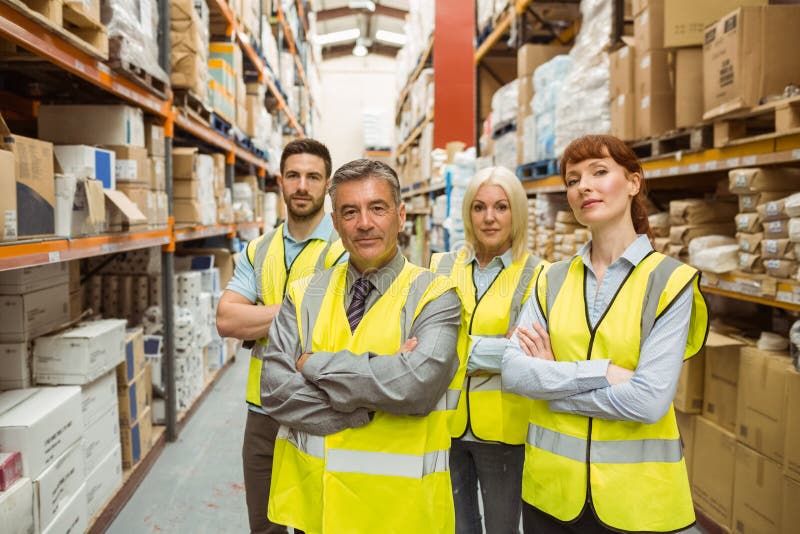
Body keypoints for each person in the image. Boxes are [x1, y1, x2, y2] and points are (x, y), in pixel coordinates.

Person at [502, 134, 709, 534]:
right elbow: (513, 373)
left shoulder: (670, 282)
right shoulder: (551, 279)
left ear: (633, 182)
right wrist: (604, 373)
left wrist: (553, 386)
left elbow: (648, 401)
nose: (584, 187)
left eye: (599, 172)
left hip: (637, 505)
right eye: (573, 179)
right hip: (551, 498)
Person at [260, 159, 461, 533]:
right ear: (335, 223)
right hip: (316, 509)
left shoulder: (436, 296)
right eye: (350, 212)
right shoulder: (304, 294)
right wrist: (367, 404)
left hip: (400, 512)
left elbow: (413, 388)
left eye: (377, 208)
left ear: (400, 215)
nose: (364, 223)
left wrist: (312, 365)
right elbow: (273, 390)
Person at [216, 138, 345, 534]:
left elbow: (341, 325)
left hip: (317, 409)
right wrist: (299, 312)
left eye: (312, 177)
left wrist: (259, 316)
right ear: (280, 181)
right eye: (293, 175)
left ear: (327, 185)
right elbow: (226, 320)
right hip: (262, 413)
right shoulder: (260, 248)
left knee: (316, 524)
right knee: (265, 528)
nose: (302, 186)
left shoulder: (345, 250)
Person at [430, 166, 546, 534]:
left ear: (517, 213)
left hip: (504, 429)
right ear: (468, 213)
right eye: (479, 207)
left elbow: (527, 354)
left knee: (502, 528)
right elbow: (427, 340)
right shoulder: (441, 265)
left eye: (501, 207)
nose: (490, 218)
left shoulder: (539, 274)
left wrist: (454, 348)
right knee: (454, 526)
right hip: (444, 424)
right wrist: (498, 349)